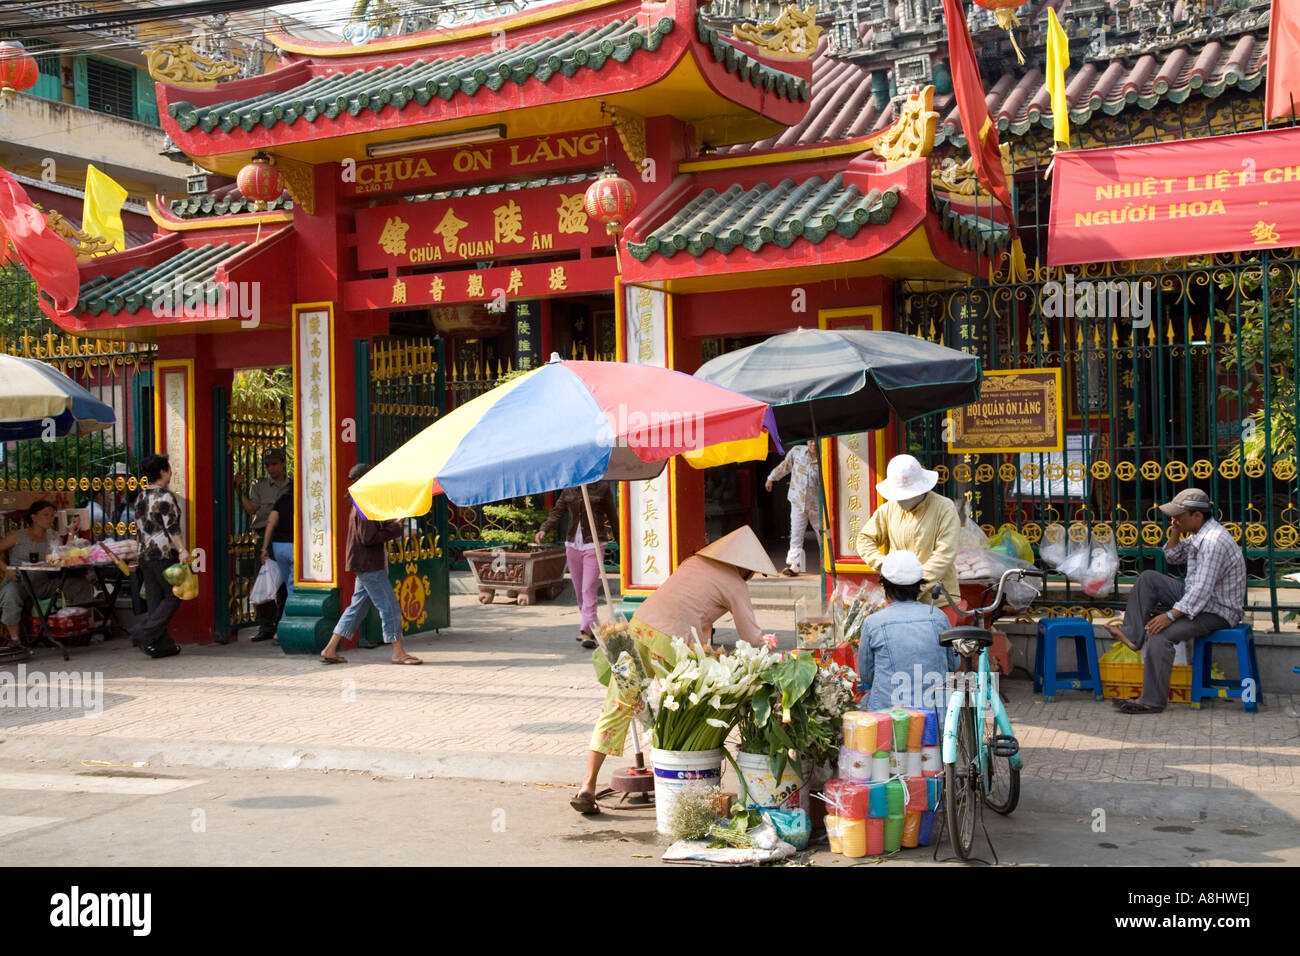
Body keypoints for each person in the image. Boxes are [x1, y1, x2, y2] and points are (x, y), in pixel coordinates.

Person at [571, 525, 776, 814]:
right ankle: (679, 785)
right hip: (670, 643)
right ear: (747, 567)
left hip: (637, 629)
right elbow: (751, 638)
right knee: (680, 713)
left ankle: (587, 784)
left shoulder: (693, 562)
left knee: (617, 706)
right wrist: (772, 657)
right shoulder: (735, 583)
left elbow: (696, 617)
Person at [1102, 488, 1246, 715]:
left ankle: (1151, 701)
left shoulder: (1214, 542)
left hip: (1217, 610)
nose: (1174, 518)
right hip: (1198, 599)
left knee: (1159, 634)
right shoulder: (1199, 534)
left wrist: (1169, 616)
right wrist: (1175, 531)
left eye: (1179, 515)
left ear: (1197, 516)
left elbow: (1201, 591)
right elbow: (1172, 556)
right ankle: (1132, 634)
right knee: (1148, 579)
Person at [319, 463, 422, 665]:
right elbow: (368, 537)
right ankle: (398, 652)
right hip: (368, 565)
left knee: (357, 608)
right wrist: (395, 527)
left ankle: (330, 648)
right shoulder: (363, 504)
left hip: (363, 563)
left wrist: (390, 524)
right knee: (390, 606)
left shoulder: (360, 502)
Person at [855, 454, 960, 610]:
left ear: (920, 490)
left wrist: (914, 587)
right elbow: (864, 539)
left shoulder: (944, 508)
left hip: (937, 600)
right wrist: (886, 566)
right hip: (897, 599)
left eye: (904, 496)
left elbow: (944, 555)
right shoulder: (889, 508)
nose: (899, 500)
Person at [858, 550, 956, 711]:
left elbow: (867, 676)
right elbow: (953, 664)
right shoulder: (939, 617)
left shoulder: (873, 623)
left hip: (889, 717)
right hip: (937, 716)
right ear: (919, 586)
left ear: (885, 587)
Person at [0, 501, 97, 649]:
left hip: (42, 583)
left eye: (52, 515)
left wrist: (71, 532)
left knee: (81, 585)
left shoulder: (52, 537)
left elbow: (64, 552)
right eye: (45, 515)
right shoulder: (18, 536)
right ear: (33, 517)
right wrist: (6, 569)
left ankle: (82, 629)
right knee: (10, 596)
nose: (49, 519)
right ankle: (15, 640)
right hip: (19, 582)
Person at [536, 482, 619, 649]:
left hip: (594, 544)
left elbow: (612, 516)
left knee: (588, 588)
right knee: (579, 590)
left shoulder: (602, 488)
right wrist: (544, 528)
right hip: (573, 544)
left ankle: (586, 630)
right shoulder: (570, 489)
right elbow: (557, 512)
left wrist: (622, 543)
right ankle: (595, 628)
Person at [128, 454, 188, 659]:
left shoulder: (141, 497)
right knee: (174, 594)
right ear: (163, 472)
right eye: (169, 469)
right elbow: (171, 527)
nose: (171, 473)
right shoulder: (165, 496)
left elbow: (139, 529)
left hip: (144, 553)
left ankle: (160, 644)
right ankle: (142, 632)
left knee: (155, 600)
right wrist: (182, 549)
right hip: (161, 553)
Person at [234, 448, 290, 642]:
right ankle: (266, 625)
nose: (270, 468)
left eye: (274, 464)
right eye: (267, 465)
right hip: (263, 536)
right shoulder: (259, 485)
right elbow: (251, 509)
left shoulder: (293, 485)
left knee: (285, 582)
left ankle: (282, 622)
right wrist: (238, 490)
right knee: (263, 579)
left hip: (287, 536)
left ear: (283, 463)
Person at [766, 441, 821, 576]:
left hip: (817, 504)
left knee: (822, 533)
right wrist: (771, 478)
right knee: (796, 533)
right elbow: (785, 466)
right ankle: (794, 565)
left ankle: (827, 561)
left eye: (815, 440)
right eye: (810, 440)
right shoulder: (797, 451)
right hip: (797, 501)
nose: (813, 443)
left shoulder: (824, 456)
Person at [259, 485, 295, 637]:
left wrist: (264, 548)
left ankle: (283, 624)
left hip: (279, 546)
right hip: (295, 546)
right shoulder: (305, 499)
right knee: (294, 589)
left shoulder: (282, 499)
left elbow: (271, 522)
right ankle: (283, 628)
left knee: (288, 586)